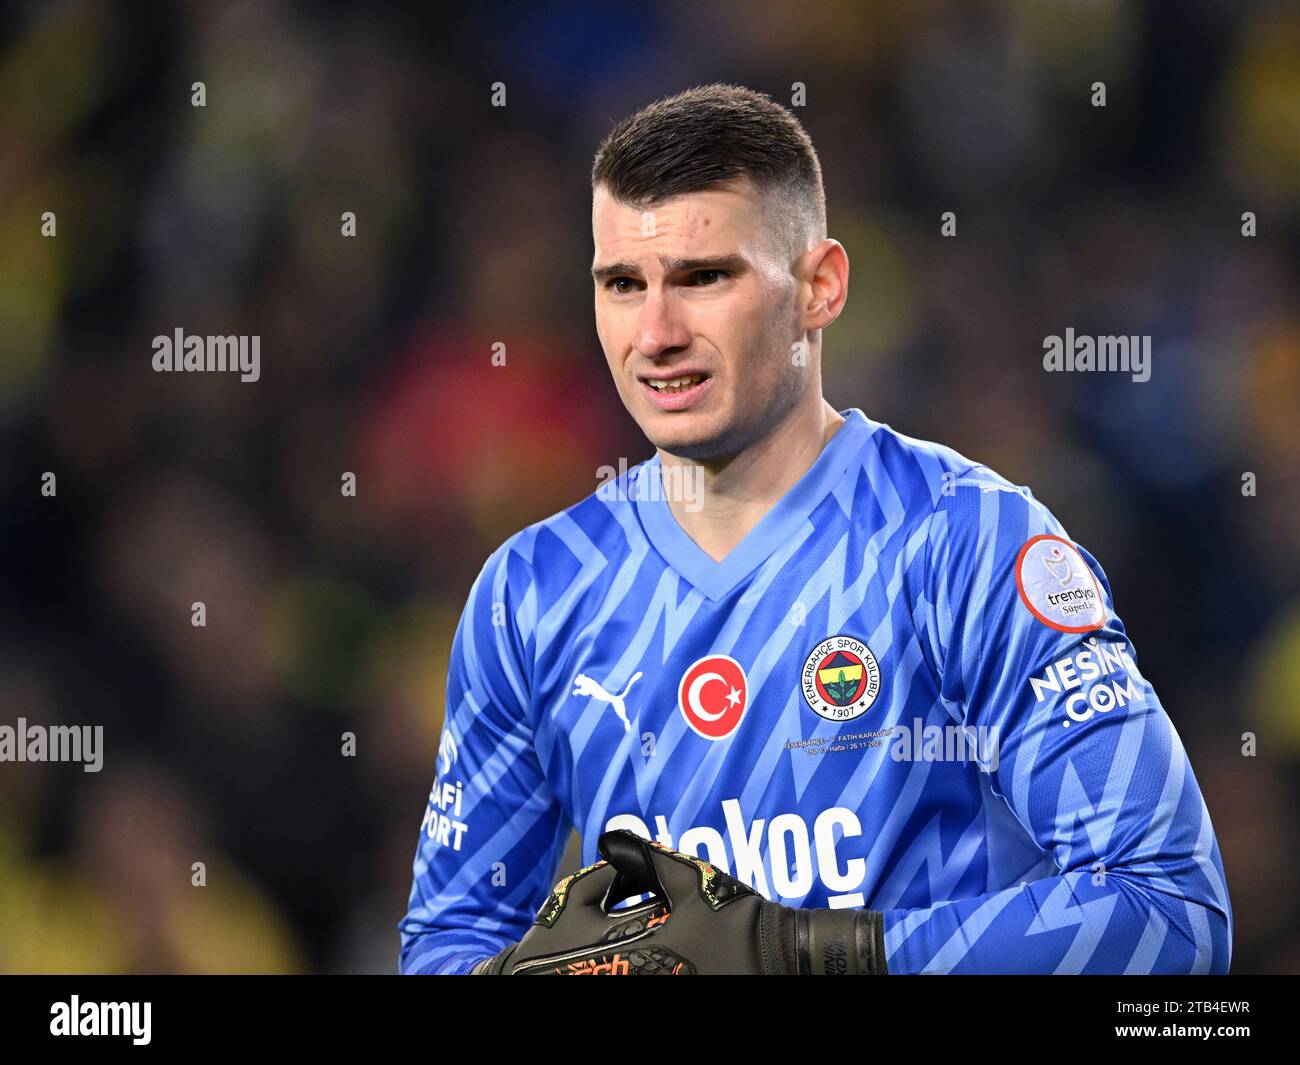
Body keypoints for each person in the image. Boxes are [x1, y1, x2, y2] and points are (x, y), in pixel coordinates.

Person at [398, 83, 1231, 975]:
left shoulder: (969, 545)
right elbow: (451, 940)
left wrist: (804, 955)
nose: (656, 332)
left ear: (819, 288)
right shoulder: (531, 592)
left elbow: (1170, 912)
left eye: (703, 277)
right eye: (622, 284)